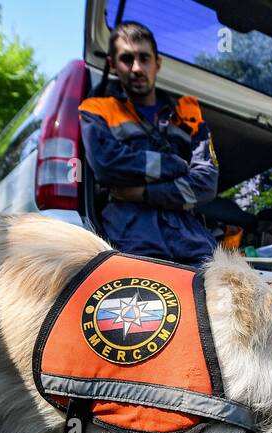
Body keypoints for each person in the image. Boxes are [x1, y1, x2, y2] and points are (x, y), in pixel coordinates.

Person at [79, 21, 219, 263]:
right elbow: (107, 165)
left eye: (144, 58)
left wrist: (142, 192)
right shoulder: (96, 109)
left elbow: (206, 183)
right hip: (132, 233)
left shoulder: (189, 112)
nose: (136, 68)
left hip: (191, 238)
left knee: (222, 290)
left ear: (157, 63)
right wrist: (173, 165)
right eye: (126, 59)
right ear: (113, 65)